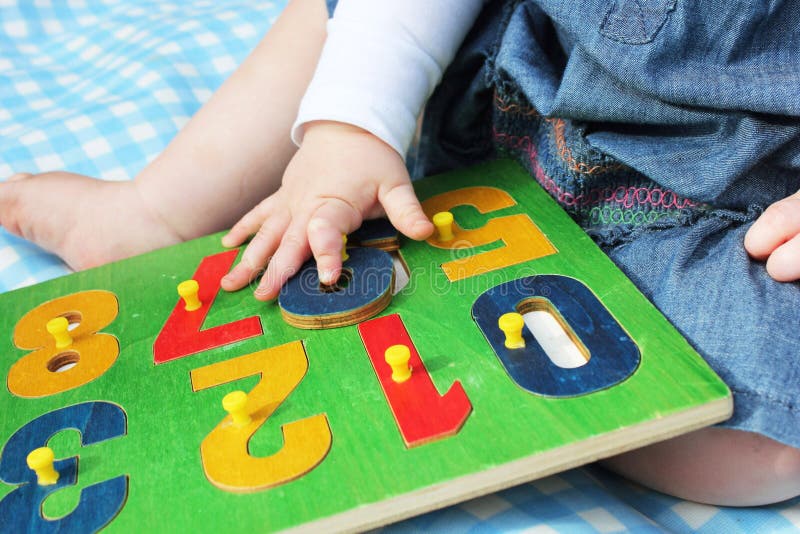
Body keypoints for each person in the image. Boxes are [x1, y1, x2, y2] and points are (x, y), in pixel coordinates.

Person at [2, 0, 799, 506]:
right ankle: (156, 209)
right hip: (486, 95)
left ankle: (551, 410)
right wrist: (355, 119)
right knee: (346, 16)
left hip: (714, 221)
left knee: (760, 454)